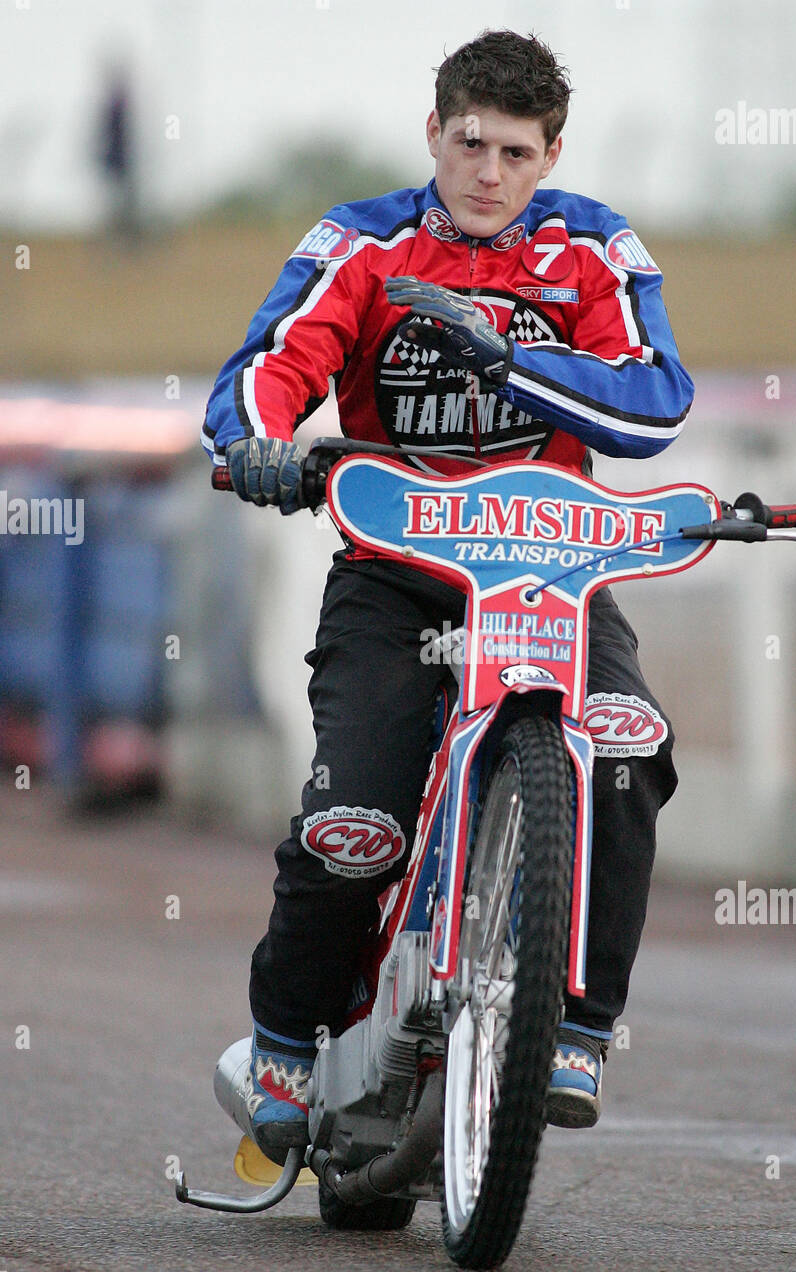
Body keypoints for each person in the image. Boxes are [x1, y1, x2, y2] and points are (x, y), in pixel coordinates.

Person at [202, 29, 693, 1158]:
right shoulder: (361, 243)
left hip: (552, 575)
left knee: (625, 746)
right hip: (396, 575)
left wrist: (511, 360)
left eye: (517, 152)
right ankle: (283, 1037)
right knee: (355, 820)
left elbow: (656, 400)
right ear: (434, 132)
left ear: (550, 153)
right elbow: (264, 370)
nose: (488, 172)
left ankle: (575, 1023)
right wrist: (264, 445)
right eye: (469, 142)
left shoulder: (592, 249)